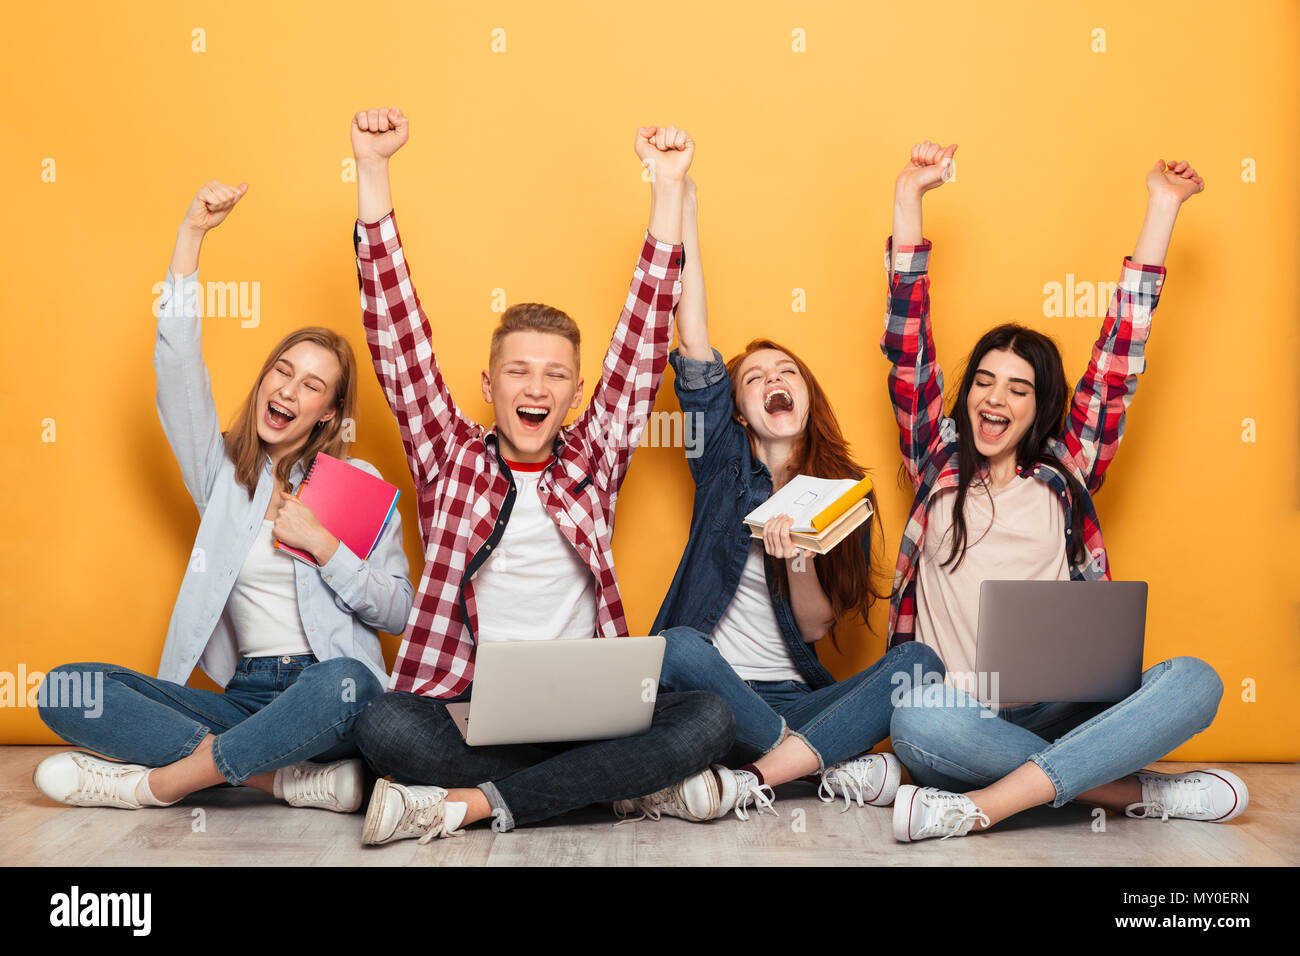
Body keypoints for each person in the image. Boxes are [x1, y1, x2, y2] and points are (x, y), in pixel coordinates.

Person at [346, 108, 736, 844]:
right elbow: (397, 339)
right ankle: (610, 788)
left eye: (555, 374)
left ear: (576, 394)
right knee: (382, 723)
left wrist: (668, 185)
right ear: (487, 384)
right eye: (519, 370)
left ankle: (473, 805)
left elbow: (642, 337)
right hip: (467, 711)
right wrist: (373, 169)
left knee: (709, 717)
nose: (536, 385)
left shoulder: (595, 458)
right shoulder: (447, 453)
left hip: (584, 710)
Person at [880, 141, 1246, 841]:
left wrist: (1161, 206)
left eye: (1017, 389)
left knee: (1196, 680)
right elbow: (908, 345)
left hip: (1060, 707)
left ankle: (986, 803)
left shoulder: (1067, 467)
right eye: (984, 382)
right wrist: (909, 197)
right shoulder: (935, 458)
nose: (995, 398)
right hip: (963, 716)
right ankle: (1136, 793)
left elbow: (1119, 357)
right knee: (916, 719)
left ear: (1041, 407)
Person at [35, 180, 411, 813]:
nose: (289, 390)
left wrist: (325, 547)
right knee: (66, 690)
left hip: (328, 693)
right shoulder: (224, 474)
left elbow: (400, 612)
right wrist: (191, 238)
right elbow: (178, 368)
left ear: (327, 414)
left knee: (346, 683)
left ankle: (158, 786)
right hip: (244, 695)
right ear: (265, 377)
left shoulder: (360, 483)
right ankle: (280, 781)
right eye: (283, 371)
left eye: (312, 386)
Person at [617, 175, 945, 824]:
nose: (773, 379)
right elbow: (696, 342)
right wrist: (683, 206)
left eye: (785, 371)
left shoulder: (843, 492)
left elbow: (819, 627)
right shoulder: (721, 467)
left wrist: (796, 559)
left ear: (806, 395)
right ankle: (817, 763)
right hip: (710, 698)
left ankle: (762, 771)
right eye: (756, 378)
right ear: (737, 412)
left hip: (798, 699)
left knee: (917, 662)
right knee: (676, 647)